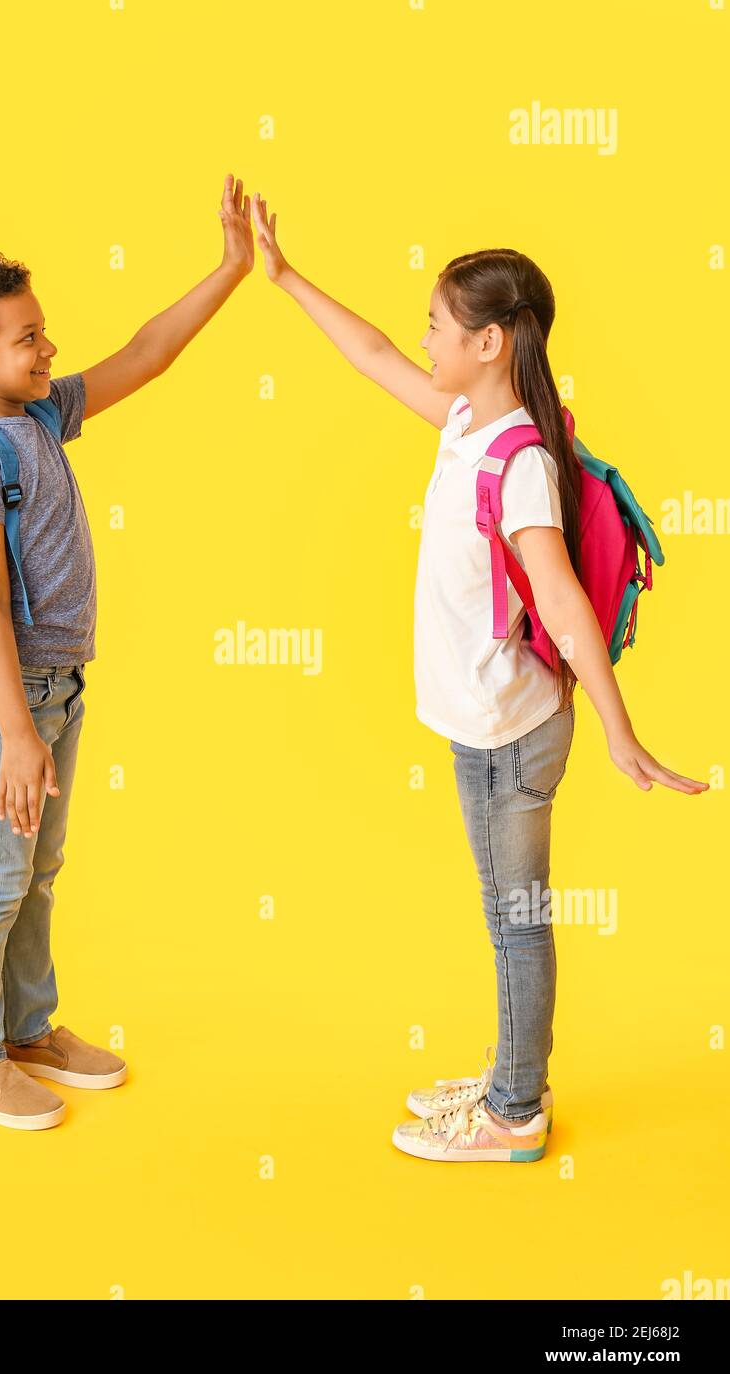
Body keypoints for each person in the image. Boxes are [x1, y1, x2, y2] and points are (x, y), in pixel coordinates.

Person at [250, 200, 710, 1162]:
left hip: (511, 735)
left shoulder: (523, 464)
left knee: (518, 924)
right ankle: (514, 1068)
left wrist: (623, 734)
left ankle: (512, 1113)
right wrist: (287, 278)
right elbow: (374, 354)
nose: (421, 338)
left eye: (438, 325)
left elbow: (569, 606)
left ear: (489, 342)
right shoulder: (467, 419)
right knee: (509, 916)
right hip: (486, 722)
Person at [0, 175, 255, 1130]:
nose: (49, 347)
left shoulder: (41, 415)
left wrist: (229, 268)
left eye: (45, 331)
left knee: (37, 872)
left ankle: (26, 1029)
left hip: (56, 691)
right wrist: (18, 734)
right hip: (0, 699)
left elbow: (145, 354)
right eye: (29, 339)